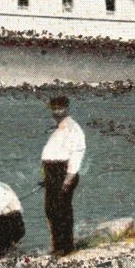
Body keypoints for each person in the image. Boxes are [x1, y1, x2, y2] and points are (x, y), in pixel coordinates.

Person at [39, 95, 86, 256]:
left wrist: (69, 177)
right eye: (54, 109)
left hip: (64, 172)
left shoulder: (73, 128)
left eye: (60, 108)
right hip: (53, 173)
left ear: (67, 109)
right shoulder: (57, 128)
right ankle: (57, 245)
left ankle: (65, 247)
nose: (57, 112)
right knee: (51, 210)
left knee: (61, 210)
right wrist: (47, 178)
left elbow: (77, 152)